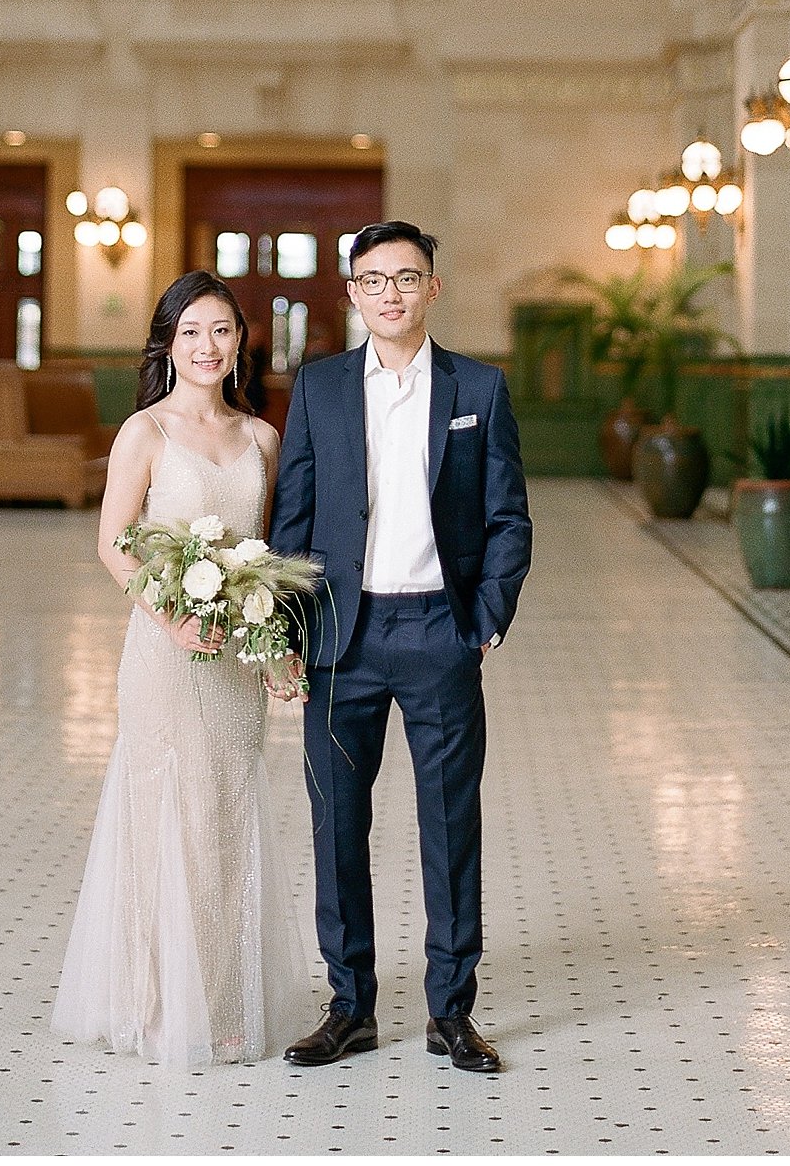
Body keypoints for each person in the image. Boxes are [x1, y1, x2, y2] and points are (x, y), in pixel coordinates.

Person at [269, 221, 532, 1074]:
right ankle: (350, 1004)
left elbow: (507, 518)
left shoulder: (479, 388)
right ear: (351, 292)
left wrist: (482, 620)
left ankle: (450, 1010)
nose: (390, 293)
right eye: (373, 279)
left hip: (437, 632)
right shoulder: (319, 388)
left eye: (407, 278)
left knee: (450, 822)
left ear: (433, 287)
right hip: (341, 637)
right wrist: (290, 631)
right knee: (337, 822)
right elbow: (294, 519)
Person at [51, 272, 314, 1067]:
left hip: (236, 659)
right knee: (170, 812)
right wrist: (173, 616)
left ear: (241, 341)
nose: (209, 346)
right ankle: (159, 999)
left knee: (228, 812)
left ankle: (226, 999)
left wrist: (277, 650)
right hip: (166, 654)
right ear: (169, 341)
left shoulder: (262, 436)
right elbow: (113, 542)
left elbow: (267, 557)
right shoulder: (145, 432)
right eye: (193, 331)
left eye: (223, 331)